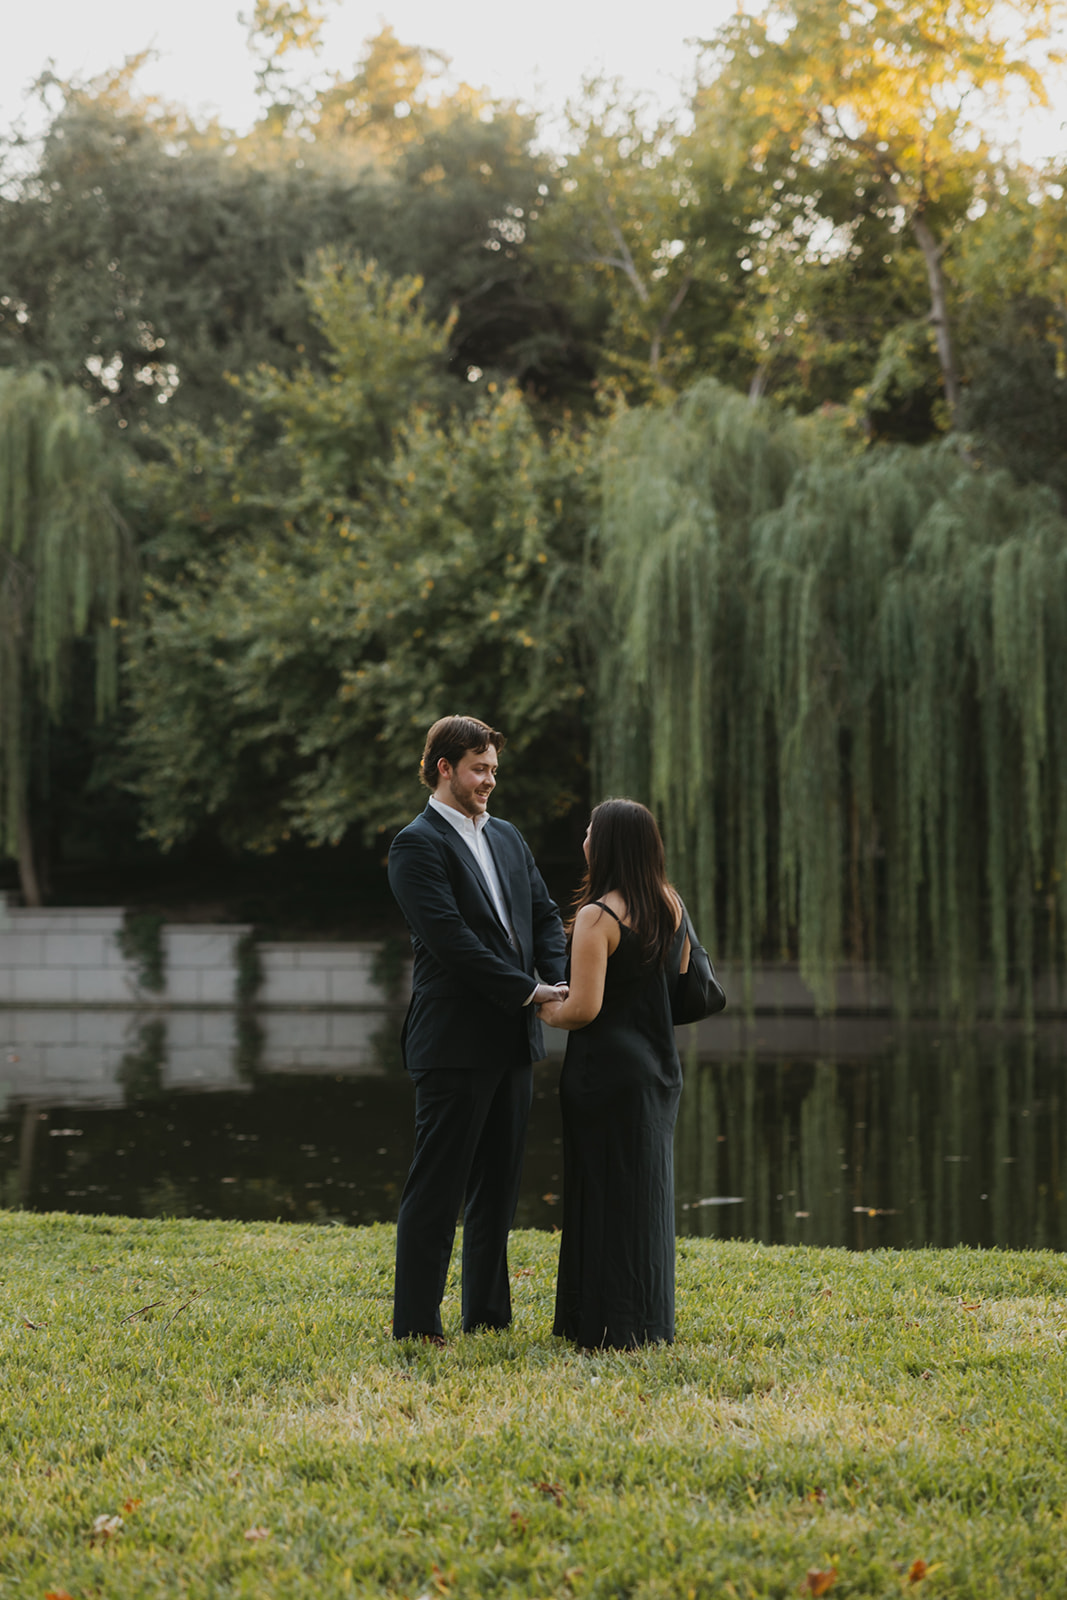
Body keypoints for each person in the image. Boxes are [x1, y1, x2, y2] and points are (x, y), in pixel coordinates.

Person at [387, 714, 568, 1342]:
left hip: (514, 1041)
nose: (490, 779)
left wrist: (561, 979)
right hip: (455, 1044)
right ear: (444, 768)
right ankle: (415, 1326)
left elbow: (544, 916)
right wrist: (529, 990)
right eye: (479, 769)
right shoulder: (415, 844)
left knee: (498, 1192)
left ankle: (488, 1318)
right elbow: (453, 943)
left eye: (493, 768)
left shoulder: (510, 838)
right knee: (437, 1191)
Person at [539, 798, 693, 1350]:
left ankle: (601, 1322)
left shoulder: (596, 917)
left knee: (600, 1191)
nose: (583, 839)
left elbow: (583, 1008)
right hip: (658, 1070)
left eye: (589, 832)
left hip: (604, 1074)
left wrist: (541, 1005)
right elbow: (677, 983)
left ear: (605, 846)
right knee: (646, 1196)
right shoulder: (672, 906)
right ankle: (648, 1321)